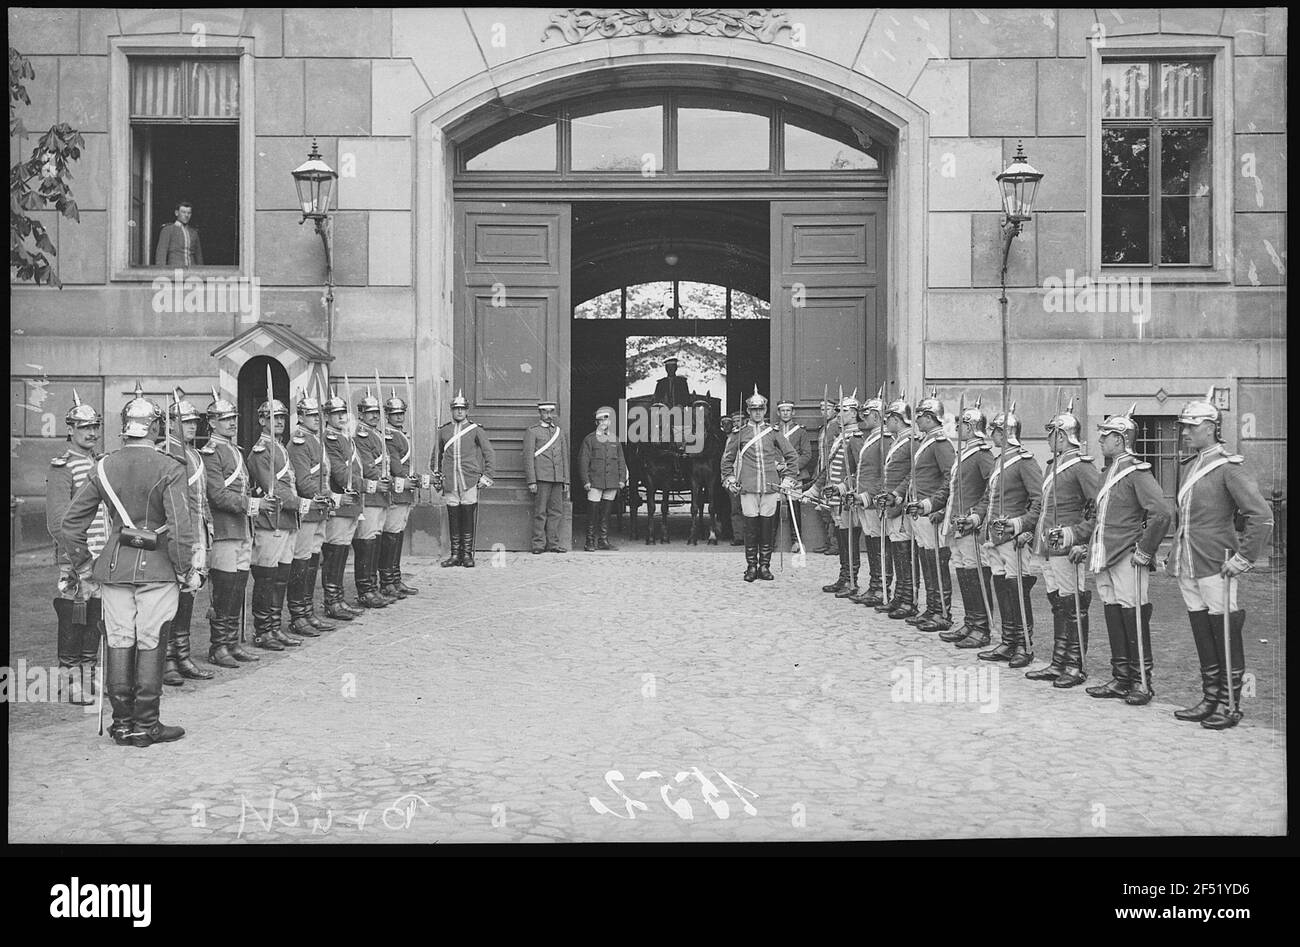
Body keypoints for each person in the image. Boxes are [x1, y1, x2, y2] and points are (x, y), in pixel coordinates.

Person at [60, 384, 197, 747]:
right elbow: (181, 528)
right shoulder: (170, 467)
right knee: (151, 640)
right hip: (158, 568)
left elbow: (70, 526)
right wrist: (186, 569)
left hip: (115, 568)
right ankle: (146, 725)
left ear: (125, 428)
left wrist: (85, 566)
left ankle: (121, 724)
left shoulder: (104, 466)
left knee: (120, 640)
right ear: (154, 429)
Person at [1166, 394, 1272, 729]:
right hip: (1190, 562)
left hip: (1217, 562)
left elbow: (1262, 516)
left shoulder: (1228, 467)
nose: (1184, 433)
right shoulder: (1190, 465)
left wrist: (1244, 558)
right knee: (1203, 631)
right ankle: (1210, 697)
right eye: (1183, 427)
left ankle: (1229, 704)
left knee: (1225, 631)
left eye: (1191, 427)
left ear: (1211, 428)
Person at [1069, 407, 1171, 705]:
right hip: (1105, 556)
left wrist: (1145, 550)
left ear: (1121, 439)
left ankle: (1142, 682)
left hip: (1128, 556)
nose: (1101, 439)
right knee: (1114, 613)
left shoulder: (1137, 472)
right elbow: (1097, 517)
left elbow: (1161, 514)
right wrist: (1082, 541)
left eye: (1106, 435)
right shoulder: (1107, 473)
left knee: (1133, 613)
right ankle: (1121, 676)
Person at [963, 409, 1042, 669]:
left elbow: (1037, 501)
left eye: (995, 432)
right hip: (994, 537)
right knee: (1002, 587)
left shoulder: (1025, 461)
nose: (992, 436)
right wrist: (976, 517)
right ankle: (1008, 640)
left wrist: (1023, 526)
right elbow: (989, 497)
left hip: (1013, 536)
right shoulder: (999, 461)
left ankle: (1023, 645)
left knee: (1017, 589)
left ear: (1005, 433)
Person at [1030, 407, 1100, 687]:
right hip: (1049, 546)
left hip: (1067, 546)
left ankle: (1075, 664)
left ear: (1063, 436)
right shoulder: (1052, 465)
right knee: (1058, 603)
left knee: (1072, 603)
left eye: (1052, 433)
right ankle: (1059, 660)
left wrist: (1080, 538)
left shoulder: (1081, 466)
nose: (1049, 438)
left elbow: (1097, 508)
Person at [45, 390, 108, 704]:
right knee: (72, 613)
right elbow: (57, 521)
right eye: (84, 427)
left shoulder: (98, 461)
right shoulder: (63, 465)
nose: (92, 433)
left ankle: (89, 672)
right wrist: (79, 558)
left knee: (95, 612)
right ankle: (69, 678)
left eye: (95, 427)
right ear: (70, 429)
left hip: (101, 552)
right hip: (75, 557)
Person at [200, 391, 261, 668]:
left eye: (233, 418)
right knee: (223, 590)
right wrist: (249, 503)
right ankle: (218, 646)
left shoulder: (236, 451)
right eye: (225, 419)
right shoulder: (210, 454)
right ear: (212, 423)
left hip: (243, 529)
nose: (232, 423)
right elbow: (217, 495)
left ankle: (233, 642)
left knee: (237, 588)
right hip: (225, 530)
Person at [159, 394, 215, 685]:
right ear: (170, 424)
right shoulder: (166, 452)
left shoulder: (192, 452)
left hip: (197, 533)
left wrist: (208, 530)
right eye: (185, 422)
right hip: (179, 535)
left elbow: (201, 499)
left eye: (194, 422)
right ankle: (167, 659)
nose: (192, 427)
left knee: (189, 595)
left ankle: (182, 654)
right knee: (174, 597)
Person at [721, 387, 800, 581]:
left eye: (761, 409)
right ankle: (751, 566)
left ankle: (765, 566)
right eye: (753, 409)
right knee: (750, 527)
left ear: (765, 411)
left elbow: (791, 456)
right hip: (748, 487)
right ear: (748, 411)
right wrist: (730, 479)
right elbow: (727, 460)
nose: (757, 412)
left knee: (767, 527)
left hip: (770, 487)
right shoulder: (740, 433)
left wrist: (789, 478)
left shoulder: (773, 432)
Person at [246, 394, 301, 650]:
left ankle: (275, 627)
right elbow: (274, 488)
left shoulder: (278, 447)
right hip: (272, 520)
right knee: (266, 577)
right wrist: (301, 504)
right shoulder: (261, 450)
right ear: (261, 420)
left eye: (281, 417)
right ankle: (262, 630)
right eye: (272, 417)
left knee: (281, 576)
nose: (278, 421)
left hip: (287, 520)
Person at [943, 402, 999, 650]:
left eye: (962, 423)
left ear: (973, 426)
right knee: (964, 572)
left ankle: (982, 628)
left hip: (972, 526)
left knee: (975, 573)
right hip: (958, 524)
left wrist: (978, 516)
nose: (957, 427)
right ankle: (971, 621)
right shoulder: (965, 452)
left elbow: (993, 489)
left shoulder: (983, 455)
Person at [904, 395, 957, 632]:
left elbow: (951, 478)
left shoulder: (941, 444)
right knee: (926, 559)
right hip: (920, 510)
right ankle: (932, 608)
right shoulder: (926, 441)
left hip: (931, 510)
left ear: (929, 417)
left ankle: (943, 612)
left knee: (936, 561)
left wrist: (941, 507)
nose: (915, 420)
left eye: (919, 416)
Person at [286, 393, 337, 636]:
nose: (316, 419)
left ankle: (307, 610)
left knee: (313, 559)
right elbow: (304, 481)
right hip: (308, 510)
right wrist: (323, 495)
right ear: (301, 417)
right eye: (311, 415)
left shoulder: (315, 440)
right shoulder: (298, 442)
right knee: (302, 559)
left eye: (318, 415)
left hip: (319, 509)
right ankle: (298, 614)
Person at [433, 390, 496, 567]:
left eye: (462, 409)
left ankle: (467, 555)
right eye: (456, 409)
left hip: (469, 479)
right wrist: (437, 476)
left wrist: (487, 476)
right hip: (450, 481)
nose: (459, 412)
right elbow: (435, 456)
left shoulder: (475, 430)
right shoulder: (443, 431)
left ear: (467, 411)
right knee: (453, 517)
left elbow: (489, 453)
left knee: (467, 516)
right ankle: (455, 555)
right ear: (451, 411)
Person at [814, 392, 865, 597]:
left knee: (849, 540)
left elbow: (860, 470)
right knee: (842, 539)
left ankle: (852, 582)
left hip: (848, 497)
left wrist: (846, 488)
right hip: (836, 497)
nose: (838, 415)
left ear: (853, 414)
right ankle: (844, 577)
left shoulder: (855, 438)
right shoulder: (842, 436)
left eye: (842, 411)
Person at [320, 392, 365, 619]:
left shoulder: (345, 437)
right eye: (335, 414)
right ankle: (332, 601)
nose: (340, 417)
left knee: (342, 551)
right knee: (335, 552)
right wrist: (366, 485)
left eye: (342, 413)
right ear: (326, 416)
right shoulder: (329, 439)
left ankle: (338, 599)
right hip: (339, 502)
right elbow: (339, 473)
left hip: (351, 502)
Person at [874, 398, 918, 618]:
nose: (886, 423)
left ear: (896, 419)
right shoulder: (897, 440)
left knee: (903, 553)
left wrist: (898, 494)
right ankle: (899, 596)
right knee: (897, 552)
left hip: (900, 505)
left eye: (888, 419)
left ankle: (908, 600)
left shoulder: (912, 441)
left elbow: (913, 473)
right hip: (891, 504)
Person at [351, 390, 394, 604]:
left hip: (381, 495)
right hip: (370, 495)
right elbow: (367, 466)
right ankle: (365, 590)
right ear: (360, 414)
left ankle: (373, 586)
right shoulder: (362, 435)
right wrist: (383, 480)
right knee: (366, 540)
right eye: (369, 412)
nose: (375, 416)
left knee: (375, 538)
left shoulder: (376, 433)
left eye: (377, 412)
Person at [849, 394, 891, 606]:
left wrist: (868, 495)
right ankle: (875, 585)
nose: (862, 418)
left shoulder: (885, 439)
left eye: (866, 414)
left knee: (878, 542)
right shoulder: (871, 437)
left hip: (874, 501)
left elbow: (886, 475)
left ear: (876, 415)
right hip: (864, 500)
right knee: (872, 541)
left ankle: (881, 587)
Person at [380, 392, 420, 595]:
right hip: (396, 492)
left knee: (397, 536)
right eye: (394, 413)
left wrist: (418, 480)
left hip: (405, 492)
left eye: (401, 413)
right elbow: (396, 467)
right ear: (386, 415)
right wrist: (410, 480)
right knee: (391, 536)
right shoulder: (388, 436)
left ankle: (395, 578)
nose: (398, 417)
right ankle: (387, 581)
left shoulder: (400, 434)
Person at [525, 400, 570, 554]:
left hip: (557, 478)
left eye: (551, 412)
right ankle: (538, 544)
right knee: (540, 512)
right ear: (540, 413)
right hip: (541, 477)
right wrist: (532, 480)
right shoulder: (533, 431)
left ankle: (553, 544)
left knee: (556, 512)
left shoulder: (559, 432)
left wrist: (566, 480)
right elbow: (528, 457)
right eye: (545, 412)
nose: (549, 415)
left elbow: (564, 457)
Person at [579, 406, 627, 551]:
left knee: (606, 513)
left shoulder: (615, 440)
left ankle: (603, 540)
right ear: (596, 423)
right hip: (595, 481)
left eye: (606, 420)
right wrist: (586, 480)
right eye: (600, 420)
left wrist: (622, 479)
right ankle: (590, 541)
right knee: (593, 512)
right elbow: (583, 461)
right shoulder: (590, 440)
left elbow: (621, 460)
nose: (604, 423)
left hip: (612, 481)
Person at [774, 398, 813, 553]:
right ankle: (769, 542)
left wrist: (793, 468)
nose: (785, 413)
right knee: (774, 508)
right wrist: (776, 465)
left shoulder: (800, 431)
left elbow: (807, 453)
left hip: (795, 475)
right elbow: (768, 452)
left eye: (788, 410)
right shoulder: (772, 431)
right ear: (778, 412)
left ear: (793, 412)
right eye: (782, 410)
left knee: (794, 509)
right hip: (776, 474)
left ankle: (796, 541)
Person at [812, 389, 840, 555]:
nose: (824, 412)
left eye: (828, 409)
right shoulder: (823, 427)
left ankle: (836, 544)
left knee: (833, 510)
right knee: (824, 510)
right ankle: (828, 542)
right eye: (822, 409)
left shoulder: (837, 425)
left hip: (833, 474)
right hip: (822, 472)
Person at [154, 200, 203, 268]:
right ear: (176, 213)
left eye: (189, 213)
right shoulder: (168, 229)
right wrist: (162, 273)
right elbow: (161, 254)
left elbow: (199, 256)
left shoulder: (194, 232)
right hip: (174, 270)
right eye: (183, 212)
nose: (186, 215)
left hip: (192, 271)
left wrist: (201, 271)